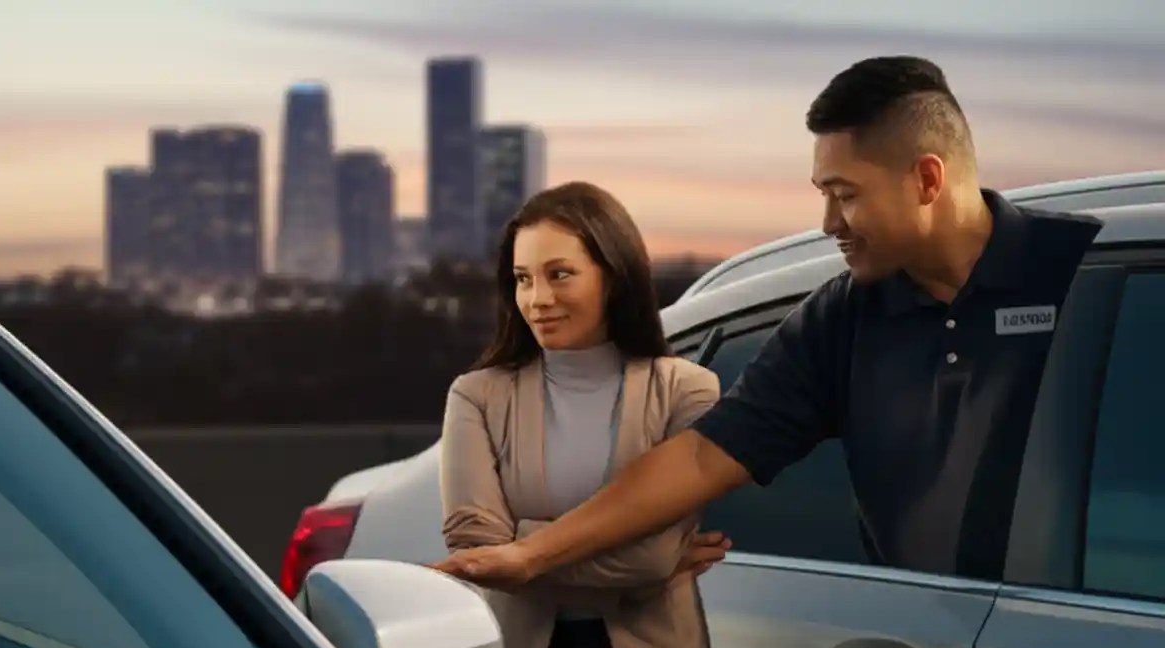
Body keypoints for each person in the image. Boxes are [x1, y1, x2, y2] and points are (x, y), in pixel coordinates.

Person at [433, 57, 1105, 591]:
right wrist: (531, 556)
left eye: (845, 196)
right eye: (824, 197)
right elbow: (700, 456)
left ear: (927, 179)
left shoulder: (1088, 274)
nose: (829, 225)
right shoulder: (841, 319)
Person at [440, 181, 727, 648]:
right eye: (523, 279)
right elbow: (475, 541)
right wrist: (647, 575)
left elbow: (653, 554)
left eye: (559, 274)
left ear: (613, 276)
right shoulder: (476, 396)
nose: (537, 299)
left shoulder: (687, 391)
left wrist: (524, 554)